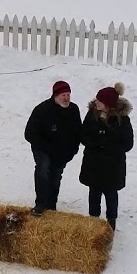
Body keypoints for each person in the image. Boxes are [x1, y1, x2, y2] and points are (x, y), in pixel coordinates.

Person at [78, 83, 133, 231]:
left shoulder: (122, 120)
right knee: (94, 192)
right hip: (93, 163)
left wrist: (109, 146)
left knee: (110, 193)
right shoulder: (92, 115)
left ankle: (111, 221)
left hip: (112, 165)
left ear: (108, 104)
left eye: (100, 101)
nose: (96, 102)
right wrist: (95, 143)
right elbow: (83, 135)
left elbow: (128, 143)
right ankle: (93, 219)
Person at [25, 80, 82, 215]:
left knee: (55, 176)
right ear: (55, 96)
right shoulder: (42, 110)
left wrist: (72, 151)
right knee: (43, 169)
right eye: (63, 95)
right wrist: (47, 147)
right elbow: (29, 134)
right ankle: (40, 204)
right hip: (42, 148)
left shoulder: (73, 110)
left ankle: (51, 206)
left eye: (68, 95)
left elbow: (78, 132)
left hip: (62, 151)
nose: (66, 98)